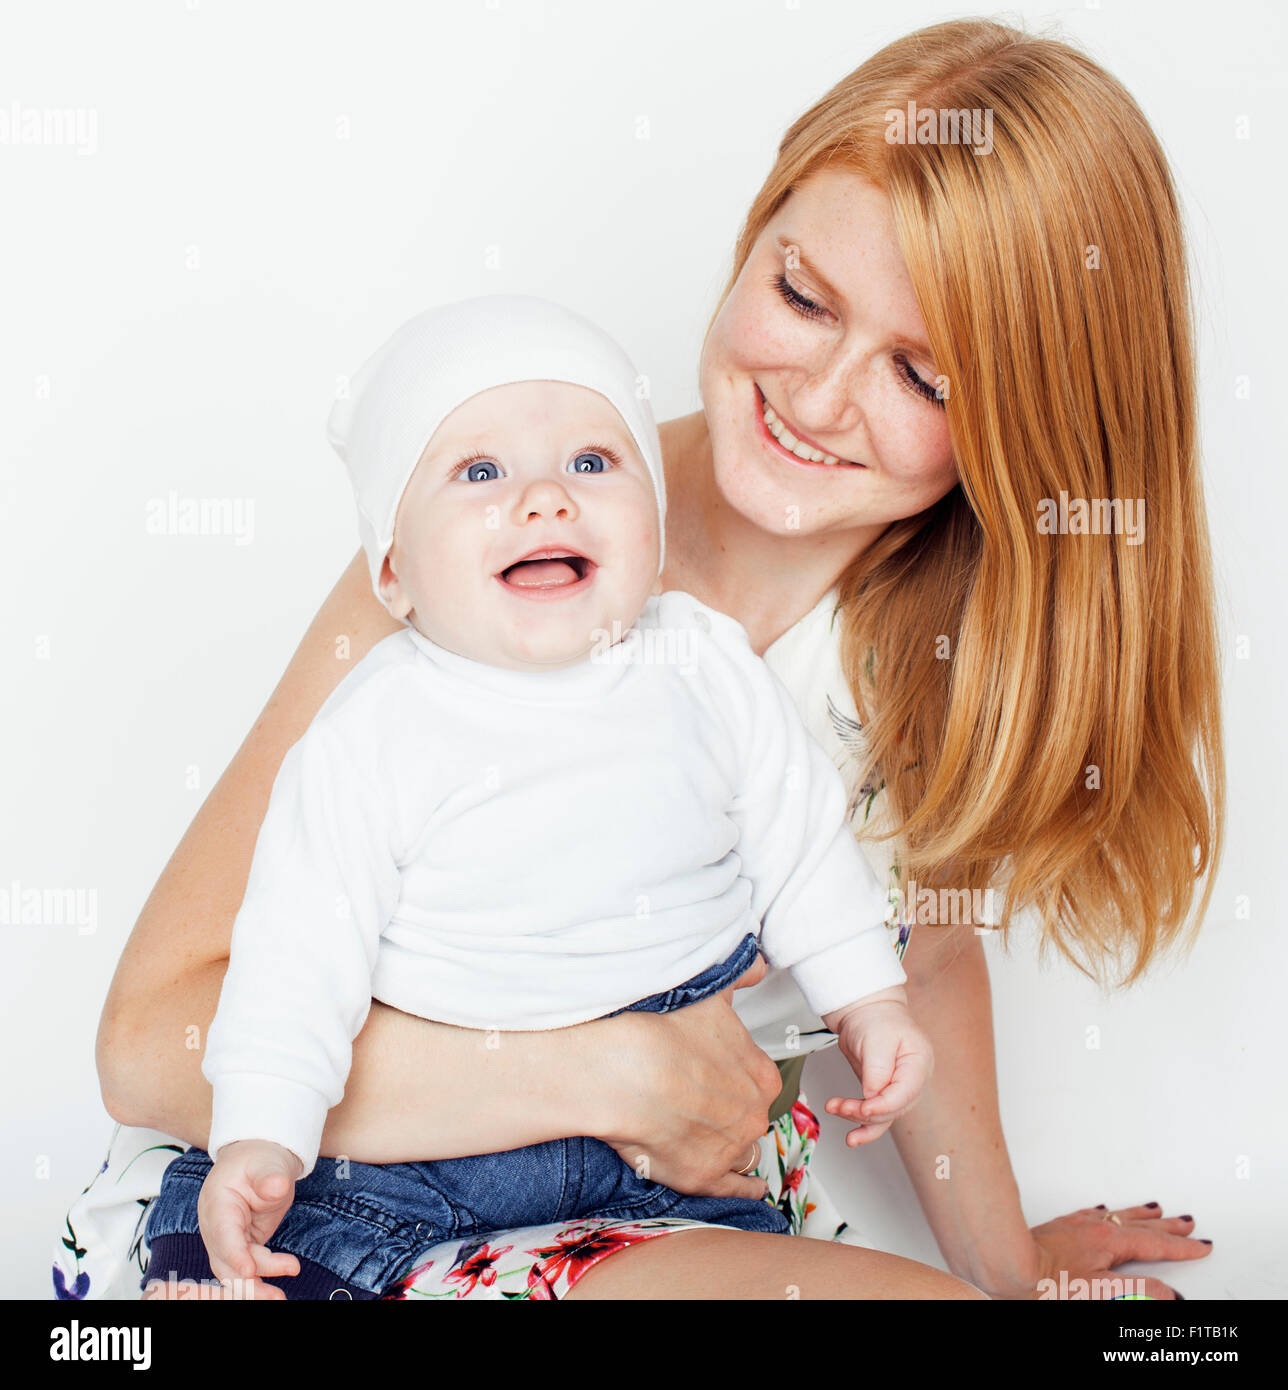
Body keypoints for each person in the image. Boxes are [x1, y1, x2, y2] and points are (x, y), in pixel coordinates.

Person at [80, 17, 1221, 1302]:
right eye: (802, 296)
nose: (819, 396)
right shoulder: (496, 544)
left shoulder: (935, 649)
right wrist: (604, 1072)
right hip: (317, 1203)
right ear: (754, 231)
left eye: (921, 375)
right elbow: (149, 1040)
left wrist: (1005, 1261)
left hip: (641, 1212)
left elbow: (922, 948)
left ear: (1031, 427)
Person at [138, 295, 932, 1300]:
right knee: (286, 1242)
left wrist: (869, 1000)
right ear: (394, 572)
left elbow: (806, 846)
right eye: (481, 472)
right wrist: (261, 1134)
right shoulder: (372, 729)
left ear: (650, 525)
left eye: (594, 464)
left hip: (655, 1175)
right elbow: (294, 962)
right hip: (402, 1168)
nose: (547, 498)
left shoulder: (702, 666)